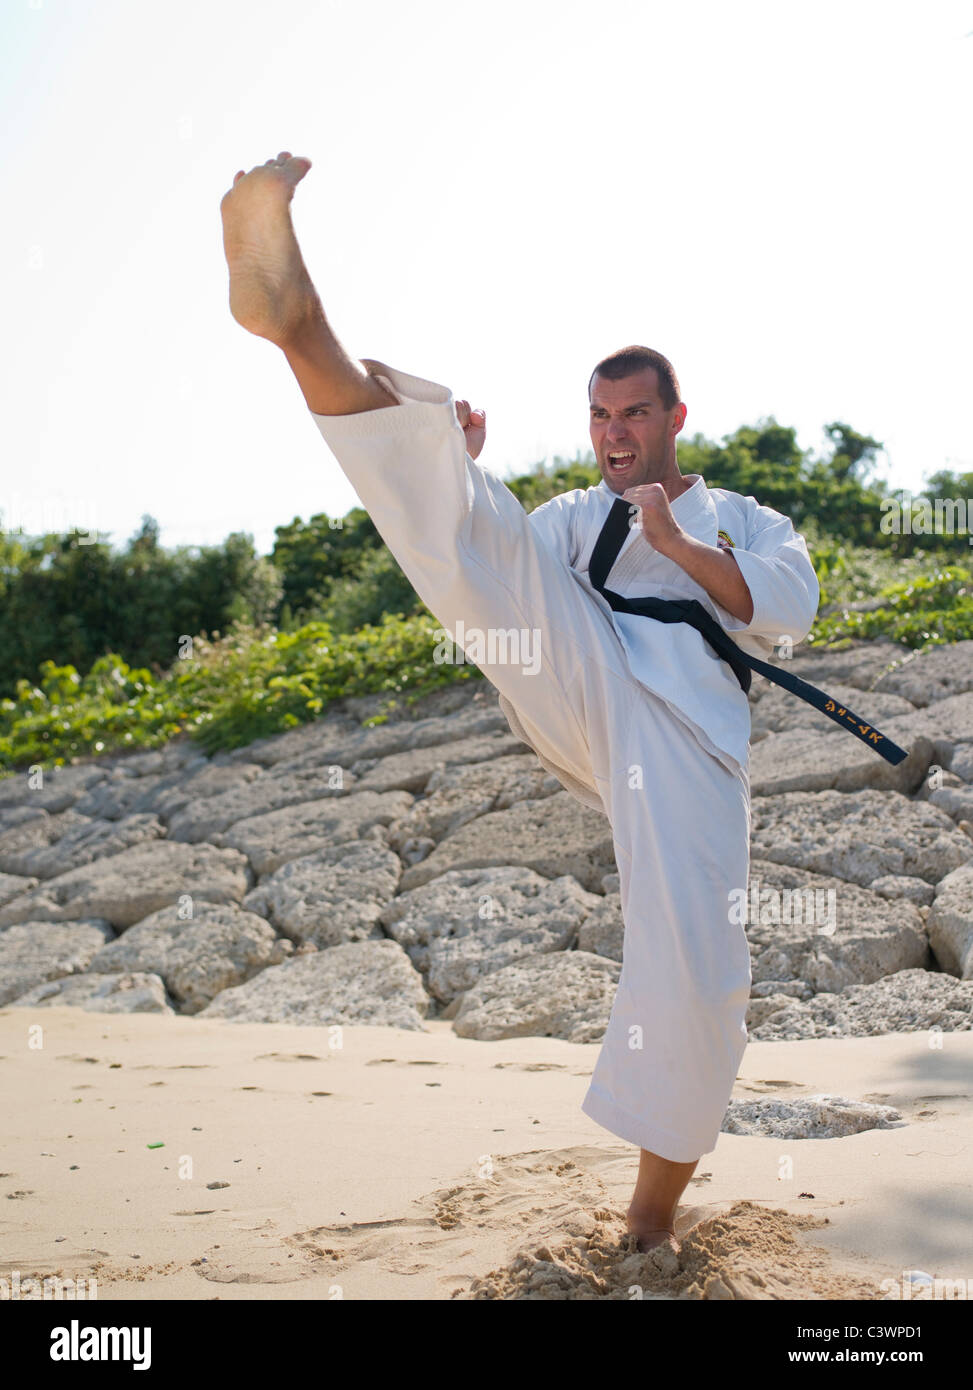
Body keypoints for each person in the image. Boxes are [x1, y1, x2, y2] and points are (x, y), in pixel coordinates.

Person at [219, 151, 820, 1254]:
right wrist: (472, 479)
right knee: (461, 513)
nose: (613, 434)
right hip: (582, 678)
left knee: (697, 960)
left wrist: (680, 545)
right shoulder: (569, 518)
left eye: (633, 414)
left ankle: (647, 1219)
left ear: (674, 414)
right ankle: (298, 323)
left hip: (683, 735)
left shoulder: (742, 514)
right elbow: (495, 568)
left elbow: (786, 610)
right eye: (598, 417)